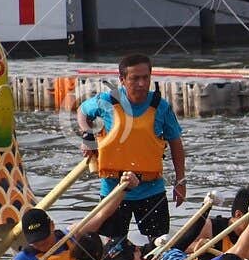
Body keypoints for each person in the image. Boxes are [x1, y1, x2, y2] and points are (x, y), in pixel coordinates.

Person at [76, 53, 187, 240]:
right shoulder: (107, 101)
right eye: (135, 78)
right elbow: (82, 111)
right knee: (113, 247)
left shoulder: (161, 107)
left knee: (159, 244)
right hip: (113, 190)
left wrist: (180, 181)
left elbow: (176, 144)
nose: (142, 84)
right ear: (122, 80)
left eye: (146, 78)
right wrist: (87, 137)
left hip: (151, 188)